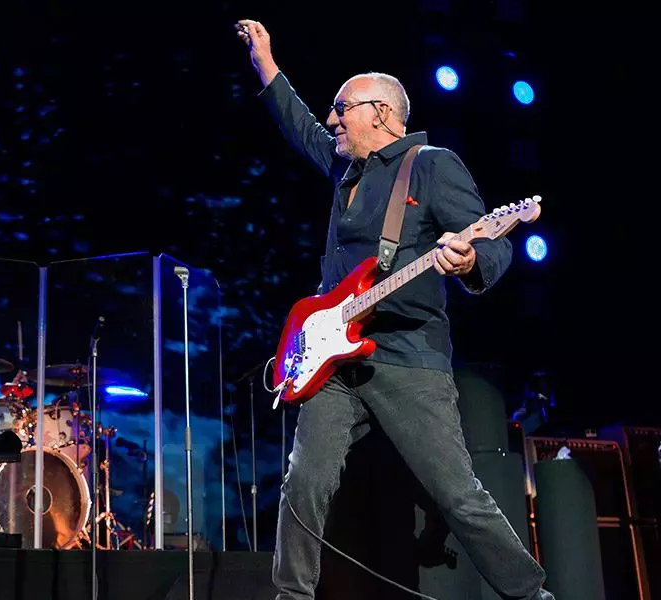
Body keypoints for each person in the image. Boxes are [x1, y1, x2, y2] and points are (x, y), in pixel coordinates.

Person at [234, 19, 554, 600]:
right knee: (302, 481)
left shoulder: (431, 164)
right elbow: (298, 126)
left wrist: (466, 262)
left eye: (341, 109)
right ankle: (291, 595)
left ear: (381, 113)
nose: (332, 119)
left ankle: (532, 596)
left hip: (409, 357)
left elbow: (492, 241)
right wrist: (264, 62)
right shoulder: (344, 170)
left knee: (457, 494)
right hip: (334, 362)